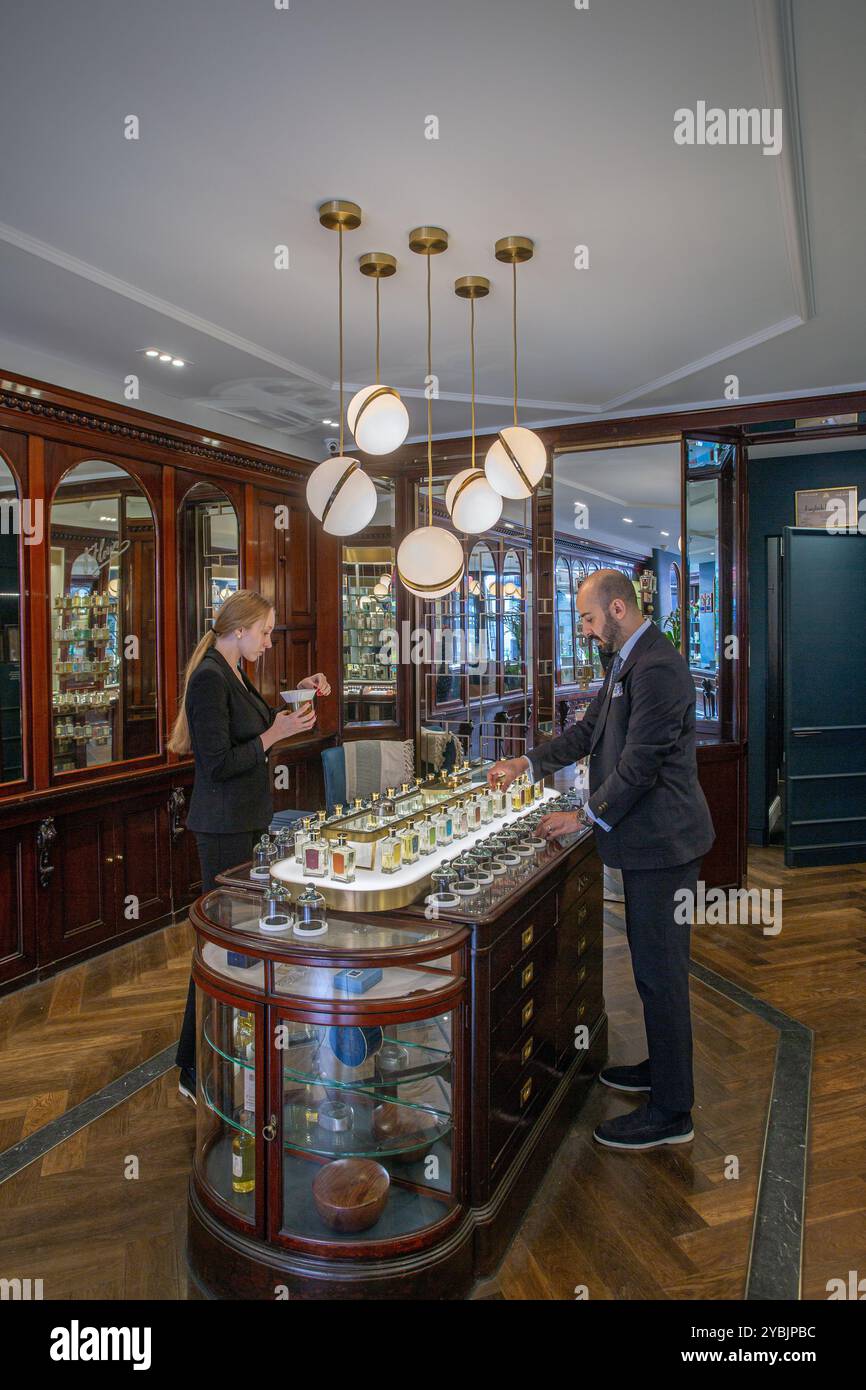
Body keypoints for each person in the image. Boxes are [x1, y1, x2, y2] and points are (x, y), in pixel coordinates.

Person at [488, 568, 715, 1152]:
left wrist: (586, 815)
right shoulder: (627, 661)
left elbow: (640, 765)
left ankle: (672, 1111)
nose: (585, 630)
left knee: (662, 978)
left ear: (617, 609)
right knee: (649, 971)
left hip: (665, 846)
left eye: (588, 619)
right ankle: (661, 1074)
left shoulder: (658, 666)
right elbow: (589, 731)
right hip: (647, 844)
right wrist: (528, 764)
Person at [168, 588, 330, 1103]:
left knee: (238, 942)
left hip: (246, 822)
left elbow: (255, 728)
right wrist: (272, 735)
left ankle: (232, 1049)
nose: (268, 640)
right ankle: (193, 1067)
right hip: (223, 828)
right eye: (264, 632)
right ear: (239, 630)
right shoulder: (209, 678)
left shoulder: (233, 672)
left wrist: (296, 696)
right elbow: (216, 763)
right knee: (219, 942)